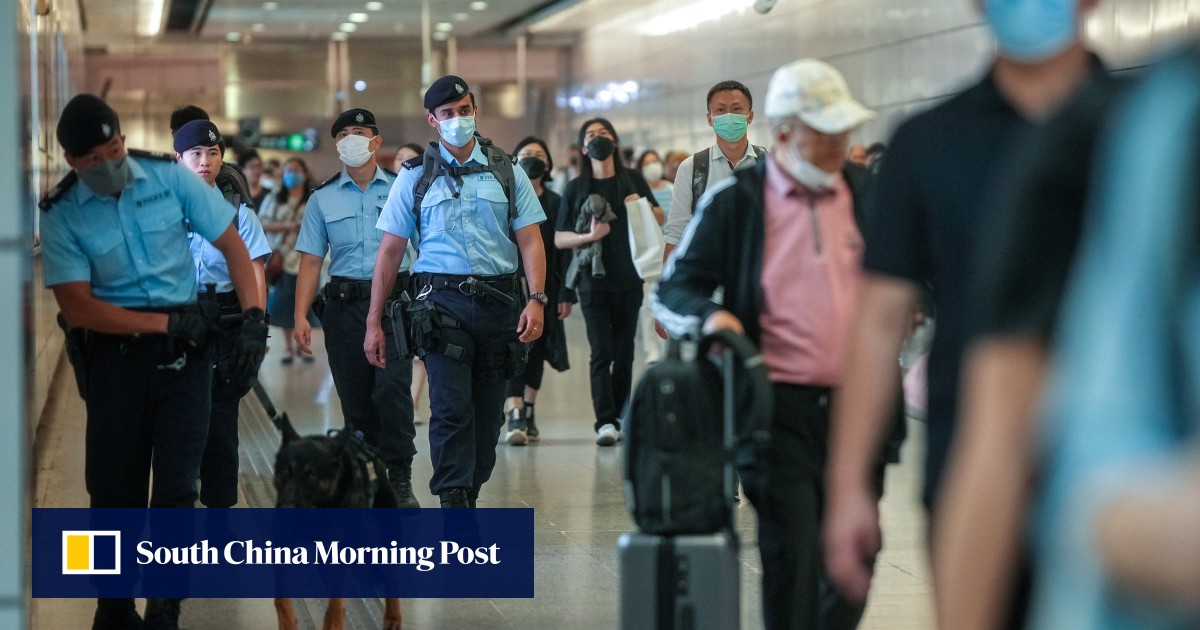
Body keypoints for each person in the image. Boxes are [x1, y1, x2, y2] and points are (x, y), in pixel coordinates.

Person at [822, 0, 1103, 611]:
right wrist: (848, 487)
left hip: (1123, 463)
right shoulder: (928, 144)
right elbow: (878, 323)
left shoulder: (1143, 128)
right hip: (968, 456)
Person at [655, 58, 876, 630]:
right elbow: (676, 288)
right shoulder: (740, 203)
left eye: (842, 133)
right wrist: (713, 319)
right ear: (783, 133)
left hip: (860, 408)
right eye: (821, 134)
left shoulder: (867, 195)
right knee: (793, 554)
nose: (836, 147)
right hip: (776, 407)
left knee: (854, 561)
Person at [40, 94, 266, 630]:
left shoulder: (169, 178)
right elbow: (76, 304)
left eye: (117, 148)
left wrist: (254, 321)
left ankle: (165, 609)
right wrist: (162, 324)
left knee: (176, 491)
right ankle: (112, 608)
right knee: (111, 491)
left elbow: (232, 243)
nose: (113, 163)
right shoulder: (61, 212)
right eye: (97, 158)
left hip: (185, 362)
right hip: (115, 363)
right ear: (74, 161)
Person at [366, 75, 547, 509]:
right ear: (433, 120)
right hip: (440, 305)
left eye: (464, 110)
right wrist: (374, 320)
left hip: (500, 305)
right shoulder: (413, 177)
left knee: (487, 420)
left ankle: (470, 486)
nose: (458, 119)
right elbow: (390, 254)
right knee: (450, 409)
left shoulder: (506, 169)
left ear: (475, 111)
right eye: (448, 114)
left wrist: (536, 299)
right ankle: (453, 502)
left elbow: (530, 241)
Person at [291, 108, 421, 508]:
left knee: (393, 391)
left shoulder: (403, 189)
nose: (351, 139)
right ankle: (368, 476)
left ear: (376, 141)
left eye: (359, 132)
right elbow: (312, 260)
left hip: (394, 304)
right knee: (356, 396)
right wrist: (299, 316)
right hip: (345, 307)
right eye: (343, 133)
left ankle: (399, 475)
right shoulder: (322, 199)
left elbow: (425, 247)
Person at [173, 120, 272, 510]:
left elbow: (256, 273)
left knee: (220, 424)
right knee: (176, 422)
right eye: (195, 154)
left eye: (213, 154)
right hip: (174, 325)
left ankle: (220, 511)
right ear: (178, 159)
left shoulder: (238, 214)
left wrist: (256, 326)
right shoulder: (160, 211)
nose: (205, 162)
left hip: (224, 325)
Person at [554, 118, 661, 447]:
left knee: (625, 351)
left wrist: (639, 207)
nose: (598, 140)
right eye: (591, 136)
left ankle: (621, 414)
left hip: (629, 277)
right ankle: (605, 421)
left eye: (604, 134)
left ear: (614, 142)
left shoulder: (632, 180)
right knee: (601, 352)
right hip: (592, 281)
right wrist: (589, 235)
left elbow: (658, 215)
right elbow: (560, 238)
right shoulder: (575, 188)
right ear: (584, 148)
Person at [503, 136, 574, 445]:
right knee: (514, 347)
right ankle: (515, 411)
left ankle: (529, 408)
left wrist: (566, 294)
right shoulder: (506, 197)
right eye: (526, 153)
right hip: (510, 285)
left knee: (539, 350)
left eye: (538, 154)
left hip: (548, 288)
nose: (532, 158)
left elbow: (563, 252)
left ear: (547, 163)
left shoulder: (557, 202)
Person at [661, 80, 765, 261]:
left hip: (757, 269)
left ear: (750, 116)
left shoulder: (768, 164)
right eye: (721, 110)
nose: (729, 116)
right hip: (708, 271)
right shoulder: (692, 168)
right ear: (710, 119)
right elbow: (676, 234)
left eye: (737, 109)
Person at [260, 157, 317, 363]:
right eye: (288, 171)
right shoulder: (275, 198)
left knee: (306, 305)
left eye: (296, 170)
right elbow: (262, 223)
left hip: (307, 260)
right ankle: (288, 348)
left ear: (305, 174)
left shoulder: (314, 198)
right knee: (285, 305)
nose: (292, 174)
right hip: (283, 259)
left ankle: (304, 346)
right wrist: (286, 226)